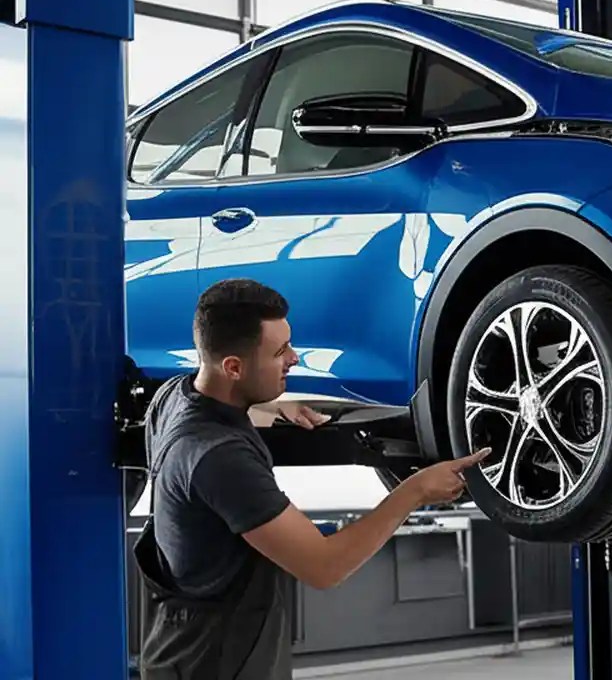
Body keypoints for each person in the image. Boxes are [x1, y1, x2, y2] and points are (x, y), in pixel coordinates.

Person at [133, 278, 489, 680]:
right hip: (214, 663)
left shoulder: (174, 396)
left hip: (182, 647)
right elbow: (325, 566)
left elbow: (214, 418)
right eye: (279, 351)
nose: (294, 358)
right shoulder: (219, 458)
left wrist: (271, 409)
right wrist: (415, 491)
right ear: (233, 367)